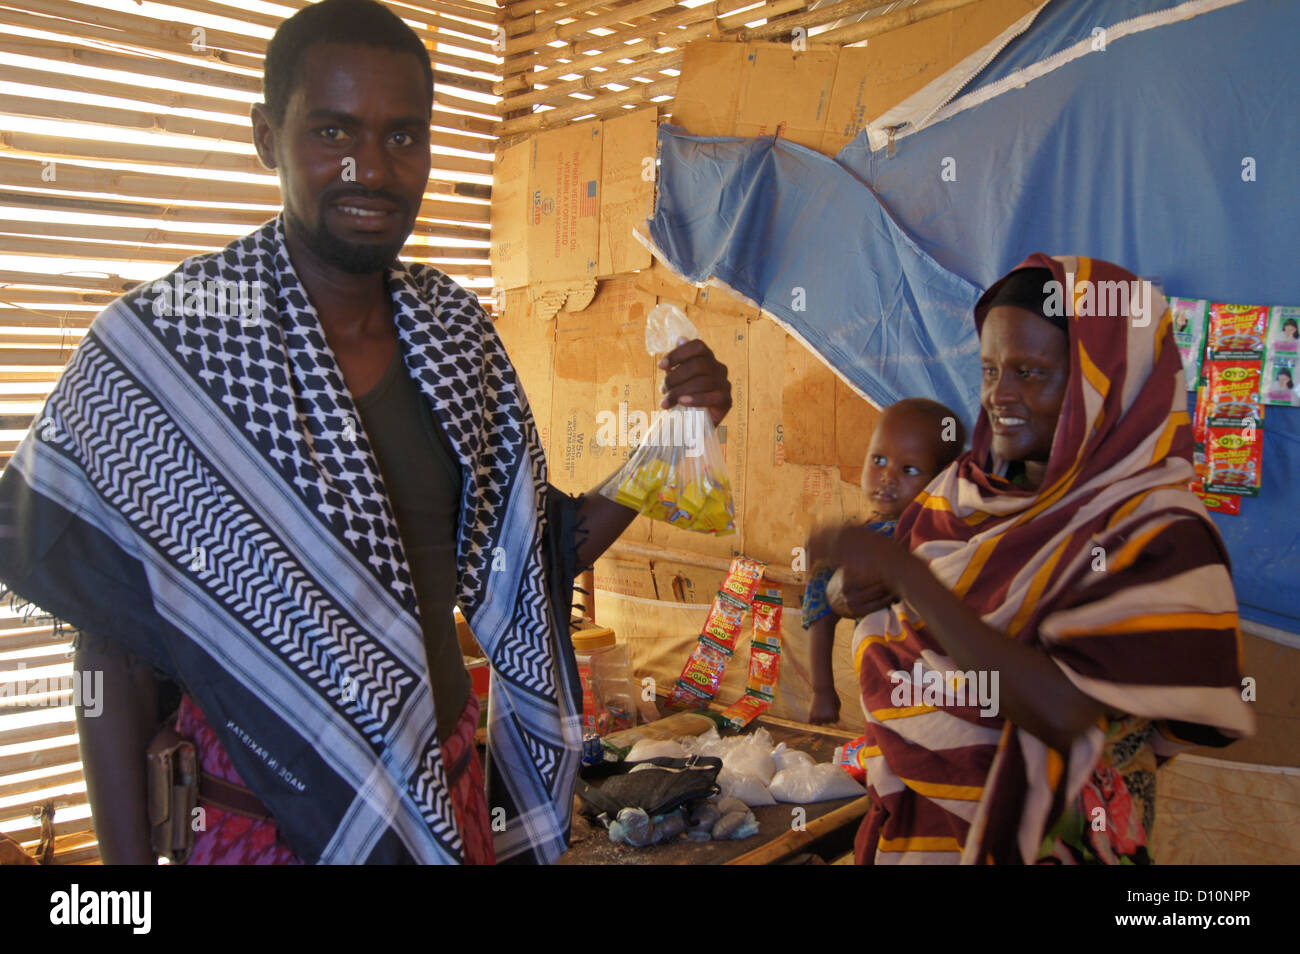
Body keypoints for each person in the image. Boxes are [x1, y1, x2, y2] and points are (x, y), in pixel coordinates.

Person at [0, 0, 732, 865]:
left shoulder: (458, 342)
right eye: (333, 130)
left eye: (404, 136)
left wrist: (677, 436)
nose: (371, 168)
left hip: (441, 801)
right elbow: (110, 643)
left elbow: (539, 555)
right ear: (267, 138)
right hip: (253, 821)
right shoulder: (161, 352)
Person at [809, 255, 1255, 864]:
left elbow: (1068, 715)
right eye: (990, 369)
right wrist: (843, 592)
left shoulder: (1159, 532)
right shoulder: (963, 491)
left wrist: (908, 577)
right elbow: (885, 600)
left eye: (1031, 372)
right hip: (912, 828)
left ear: (1106, 385)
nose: (999, 396)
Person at [804, 398, 965, 725]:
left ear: (941, 479)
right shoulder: (867, 534)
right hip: (889, 686)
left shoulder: (937, 530)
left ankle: (823, 691)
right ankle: (821, 690)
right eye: (878, 460)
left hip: (942, 685)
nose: (887, 477)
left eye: (908, 470)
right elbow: (822, 592)